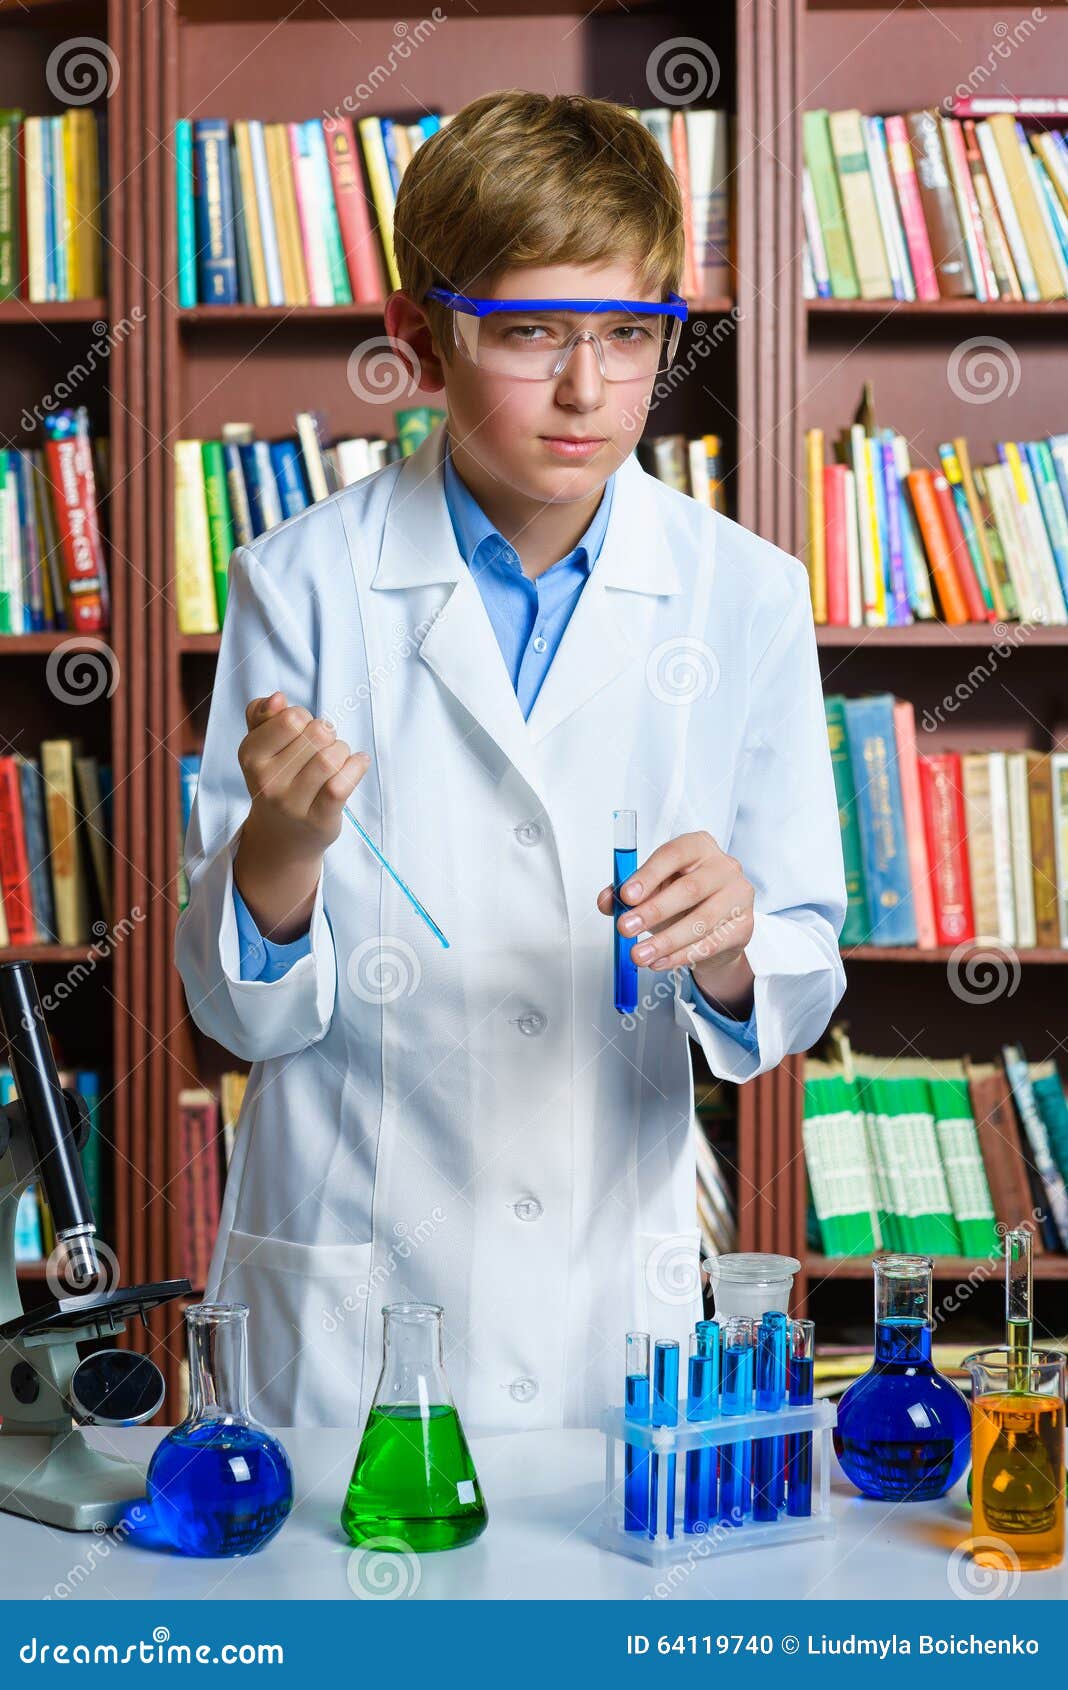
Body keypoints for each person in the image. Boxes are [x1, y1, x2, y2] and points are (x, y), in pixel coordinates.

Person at [174, 88, 847, 1431]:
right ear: (419, 340)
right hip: (350, 1315)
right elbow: (236, 1012)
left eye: (626, 331)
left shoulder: (746, 596)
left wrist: (732, 943)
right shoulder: (299, 582)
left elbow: (794, 977)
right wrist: (280, 854)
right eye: (531, 330)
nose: (588, 387)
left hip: (616, 1303)